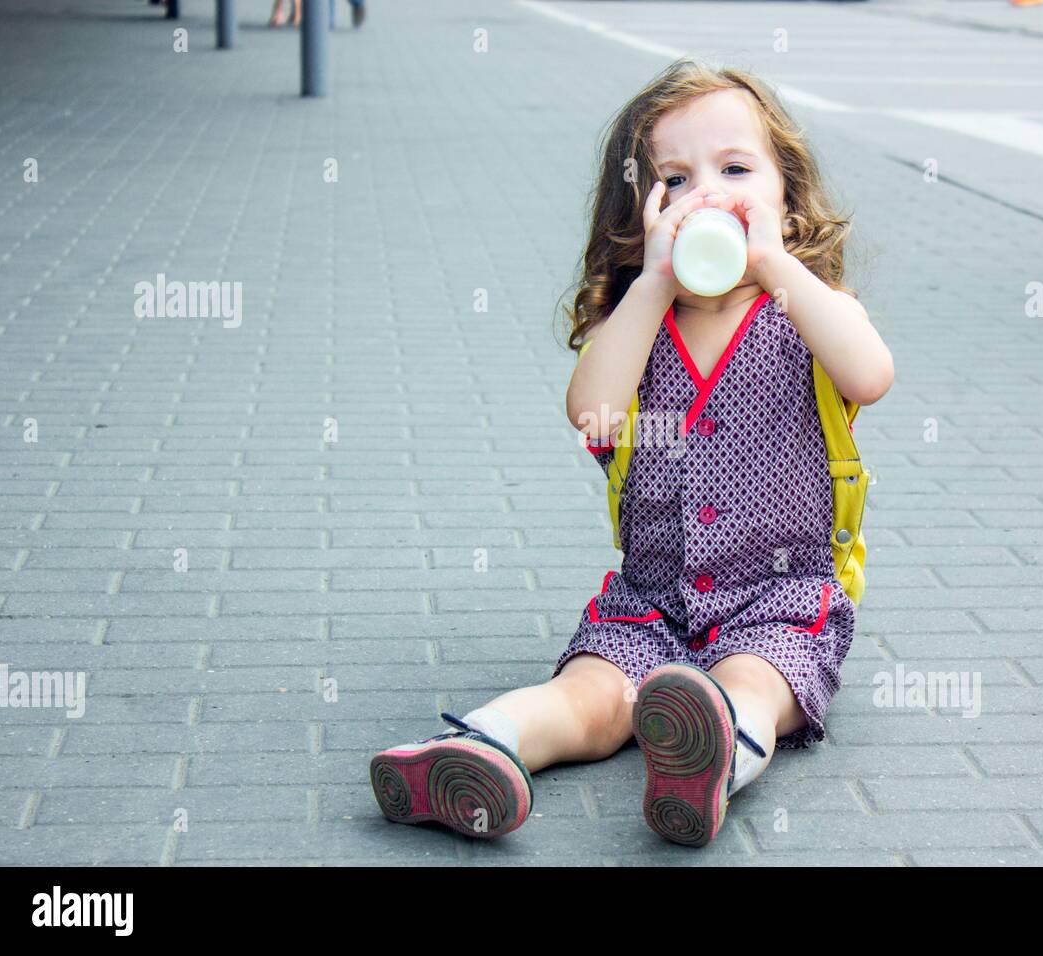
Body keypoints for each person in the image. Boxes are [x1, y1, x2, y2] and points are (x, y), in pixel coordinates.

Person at [369, 58, 894, 848]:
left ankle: (713, 756)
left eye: (737, 169)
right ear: (640, 212)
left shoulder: (808, 313)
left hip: (781, 601)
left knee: (754, 681)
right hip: (649, 603)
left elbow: (871, 373)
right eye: (674, 180)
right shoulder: (638, 326)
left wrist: (774, 264)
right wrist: (650, 283)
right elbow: (592, 412)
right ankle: (475, 750)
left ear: (787, 197)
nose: (707, 194)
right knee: (592, 696)